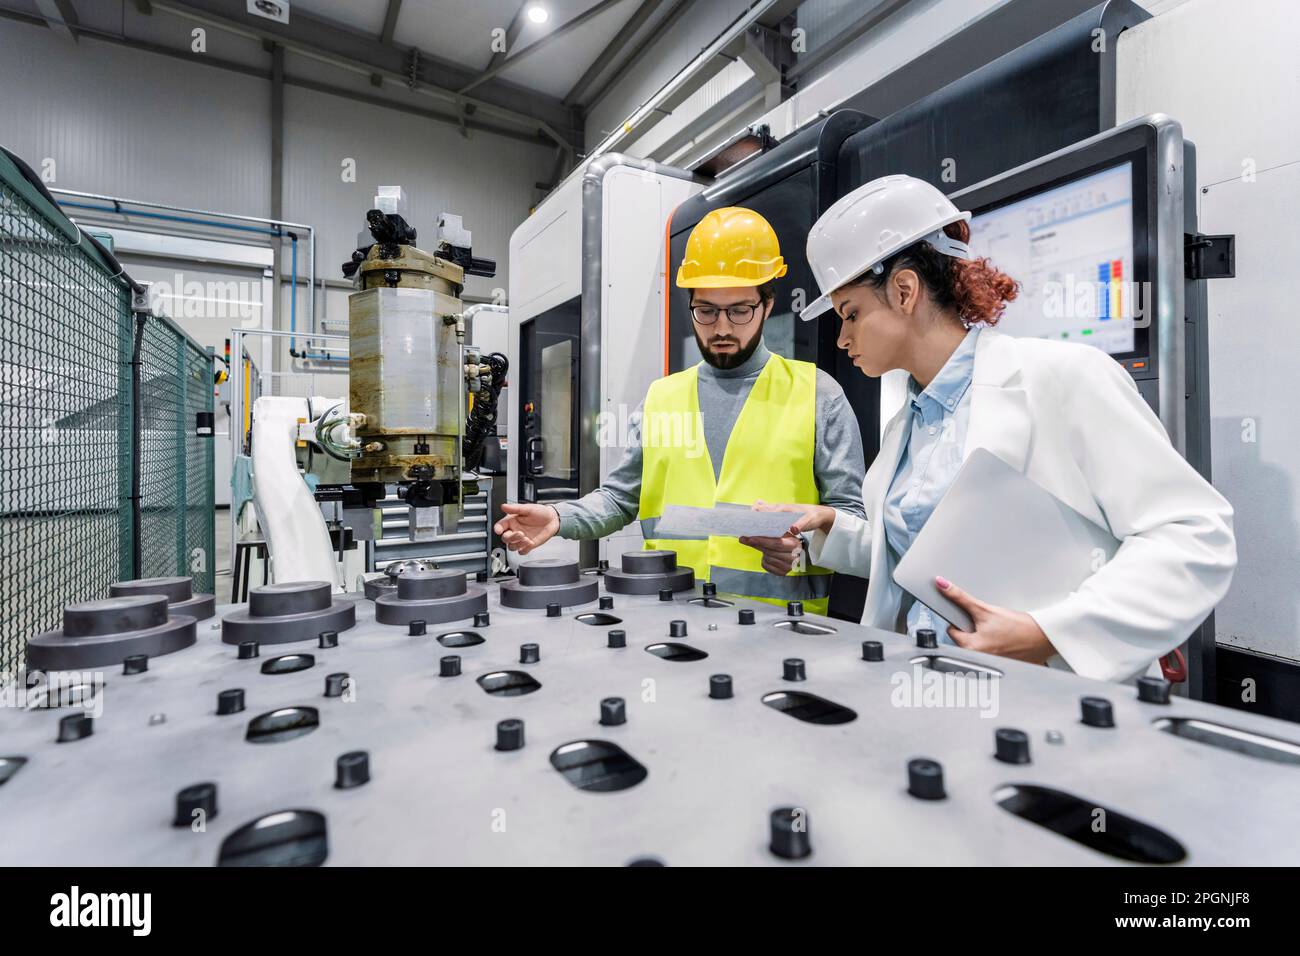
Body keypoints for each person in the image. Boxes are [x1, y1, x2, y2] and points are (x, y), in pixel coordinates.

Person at [741, 175, 1236, 681]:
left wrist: (1050, 631)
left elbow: (1194, 534)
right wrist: (826, 528)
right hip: (929, 682)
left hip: (1051, 695)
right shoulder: (907, 425)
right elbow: (925, 557)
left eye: (851, 314)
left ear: (905, 290)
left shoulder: (1062, 377)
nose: (843, 338)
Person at [494, 206, 866, 614]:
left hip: (782, 634)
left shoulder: (817, 395)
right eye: (706, 311)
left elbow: (851, 521)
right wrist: (557, 516)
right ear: (690, 304)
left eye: (740, 310)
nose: (722, 328)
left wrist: (802, 549)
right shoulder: (661, 399)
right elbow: (619, 500)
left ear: (767, 303)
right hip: (672, 626)